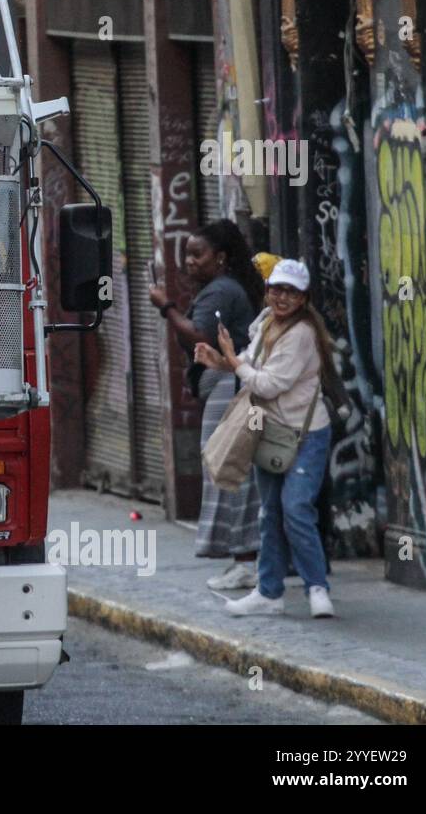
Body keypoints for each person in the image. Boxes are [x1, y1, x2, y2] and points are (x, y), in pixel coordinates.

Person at [194, 259, 336, 618]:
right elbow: (249, 363)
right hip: (269, 431)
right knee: (269, 513)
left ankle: (317, 587)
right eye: (276, 289)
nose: (282, 297)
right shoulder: (266, 322)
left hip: (305, 435)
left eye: (291, 292)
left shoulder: (302, 334)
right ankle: (268, 592)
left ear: (304, 298)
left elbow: (270, 384)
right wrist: (220, 360)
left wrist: (231, 360)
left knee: (296, 509)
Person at [150, 220, 264, 589]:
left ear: (221, 258)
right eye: (187, 254)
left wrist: (165, 307)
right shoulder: (224, 288)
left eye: (198, 254)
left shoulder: (220, 292)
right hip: (224, 386)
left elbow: (199, 335)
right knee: (227, 468)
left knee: (226, 467)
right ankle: (243, 556)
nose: (189, 262)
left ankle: (245, 558)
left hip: (227, 387)